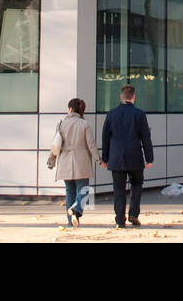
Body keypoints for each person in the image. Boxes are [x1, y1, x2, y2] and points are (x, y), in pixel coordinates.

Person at [101, 84, 154, 229]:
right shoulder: (139, 114)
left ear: (121, 97)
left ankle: (119, 219)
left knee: (118, 188)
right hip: (135, 156)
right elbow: (146, 138)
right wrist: (149, 158)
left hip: (116, 157)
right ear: (133, 97)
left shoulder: (111, 114)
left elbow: (105, 138)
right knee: (137, 184)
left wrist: (104, 158)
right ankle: (134, 214)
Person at [50, 97, 98, 227]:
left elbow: (55, 145)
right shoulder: (84, 124)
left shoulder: (61, 123)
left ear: (70, 109)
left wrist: (51, 160)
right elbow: (91, 145)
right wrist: (99, 159)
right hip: (81, 162)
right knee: (84, 190)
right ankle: (76, 211)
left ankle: (70, 220)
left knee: (69, 191)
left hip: (65, 160)